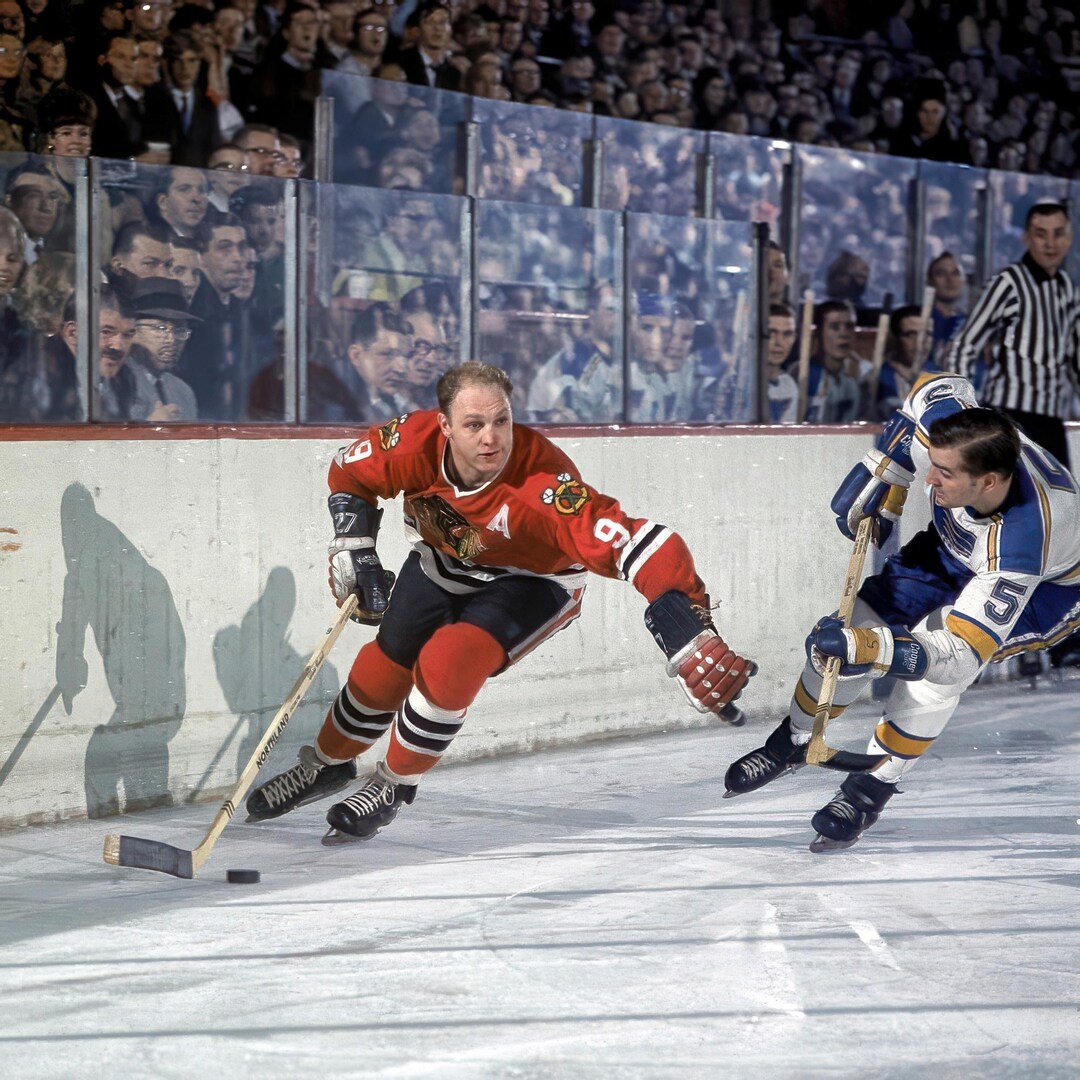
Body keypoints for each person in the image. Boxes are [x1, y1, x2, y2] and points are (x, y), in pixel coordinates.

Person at [245, 361, 756, 841]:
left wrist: (691, 628)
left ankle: (395, 781)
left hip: (532, 582)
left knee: (448, 662)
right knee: (382, 668)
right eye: (473, 425)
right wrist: (353, 546)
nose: (491, 438)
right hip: (443, 560)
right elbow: (348, 474)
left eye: (501, 421)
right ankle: (326, 764)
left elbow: (643, 544)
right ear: (443, 426)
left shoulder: (544, 486)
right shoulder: (408, 443)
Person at [723, 373, 1080, 851]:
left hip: (1044, 592)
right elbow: (933, 386)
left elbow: (955, 654)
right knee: (851, 627)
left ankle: (869, 789)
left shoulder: (1024, 538)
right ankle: (794, 739)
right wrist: (885, 468)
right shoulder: (952, 438)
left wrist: (873, 648)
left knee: (934, 675)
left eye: (944, 474)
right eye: (930, 464)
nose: (930, 479)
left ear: (989, 481)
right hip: (954, 550)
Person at [945, 201, 1080, 669]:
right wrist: (964, 415)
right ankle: (987, 631)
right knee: (1014, 528)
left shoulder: (1066, 288)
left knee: (1060, 526)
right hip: (1011, 421)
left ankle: (1055, 640)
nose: (1049, 242)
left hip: (1051, 422)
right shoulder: (1008, 282)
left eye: (1058, 233)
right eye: (1040, 233)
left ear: (1068, 237)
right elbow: (966, 341)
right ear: (1027, 236)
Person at [128, 276, 201, 421]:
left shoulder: (183, 392)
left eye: (179, 330)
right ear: (132, 330)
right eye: (160, 328)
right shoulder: (116, 384)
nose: (171, 339)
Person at [763, 302, 798, 423]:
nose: (779, 342)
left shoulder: (789, 385)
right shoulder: (745, 385)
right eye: (772, 333)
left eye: (787, 334)